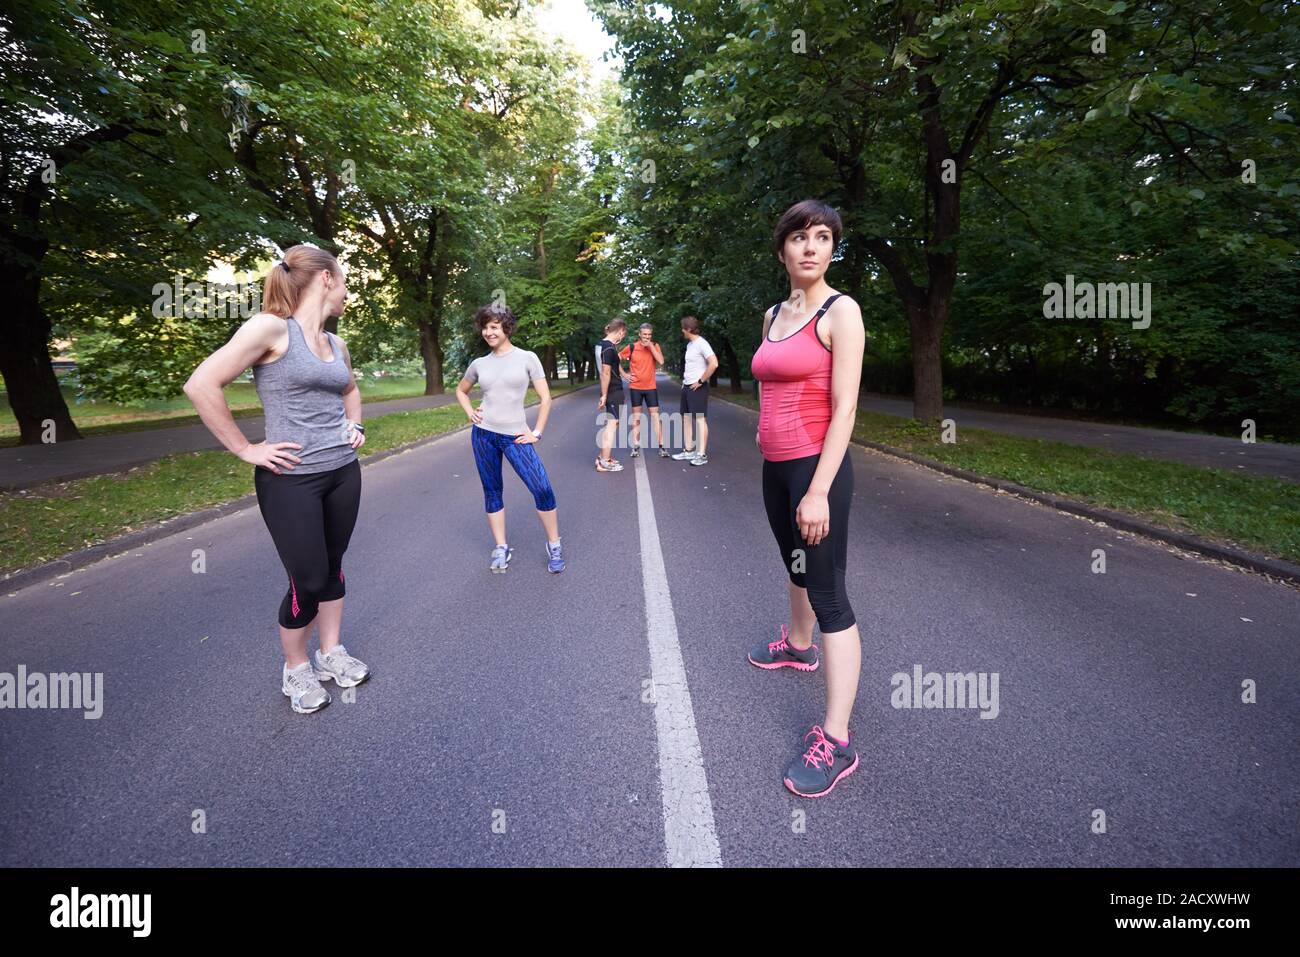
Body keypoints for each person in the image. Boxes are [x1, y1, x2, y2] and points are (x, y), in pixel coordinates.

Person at [184, 244, 369, 715]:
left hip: (342, 472)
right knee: (306, 579)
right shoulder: (271, 328)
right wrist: (246, 448)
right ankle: (296, 667)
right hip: (292, 480)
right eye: (344, 281)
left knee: (333, 563)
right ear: (325, 279)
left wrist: (356, 425)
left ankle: (330, 654)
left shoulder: (336, 343)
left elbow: (349, 390)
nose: (348, 292)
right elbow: (202, 383)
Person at [746, 199, 866, 798]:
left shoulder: (841, 311)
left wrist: (818, 489)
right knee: (792, 563)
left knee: (829, 593)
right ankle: (797, 646)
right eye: (799, 237)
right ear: (783, 250)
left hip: (816, 471)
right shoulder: (772, 313)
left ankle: (837, 742)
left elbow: (845, 406)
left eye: (823, 237)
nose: (811, 247)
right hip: (775, 467)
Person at [456, 304, 564, 573]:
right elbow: (461, 391)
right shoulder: (479, 364)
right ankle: (501, 547)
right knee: (492, 490)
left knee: (542, 488)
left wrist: (536, 432)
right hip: (484, 436)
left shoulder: (527, 358)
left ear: (506, 327)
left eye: (494, 326)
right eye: (484, 327)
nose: (488, 332)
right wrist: (470, 412)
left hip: (516, 435)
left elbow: (546, 398)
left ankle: (554, 544)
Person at [671, 315, 718, 466]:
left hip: (698, 387)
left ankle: (701, 454)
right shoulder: (690, 345)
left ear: (689, 329)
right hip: (687, 386)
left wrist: (701, 381)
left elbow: (714, 363)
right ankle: (688, 451)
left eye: (683, 328)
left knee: (699, 419)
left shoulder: (701, 343)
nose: (682, 331)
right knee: (685, 418)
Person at [619, 323, 670, 458]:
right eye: (644, 334)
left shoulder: (655, 346)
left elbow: (661, 361)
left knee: (655, 416)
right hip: (636, 387)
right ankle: (635, 445)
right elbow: (615, 359)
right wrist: (624, 374)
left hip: (650, 387)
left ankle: (662, 446)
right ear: (639, 334)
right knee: (637, 417)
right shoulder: (632, 347)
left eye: (649, 334)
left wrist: (651, 346)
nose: (647, 337)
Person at [596, 319, 629, 472]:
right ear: (620, 331)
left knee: (612, 423)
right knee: (611, 425)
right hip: (613, 391)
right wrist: (604, 395)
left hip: (613, 389)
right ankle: (604, 462)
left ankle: (602, 457)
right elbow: (606, 372)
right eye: (623, 334)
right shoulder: (609, 348)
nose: (622, 337)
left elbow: (615, 365)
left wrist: (624, 375)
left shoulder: (603, 345)